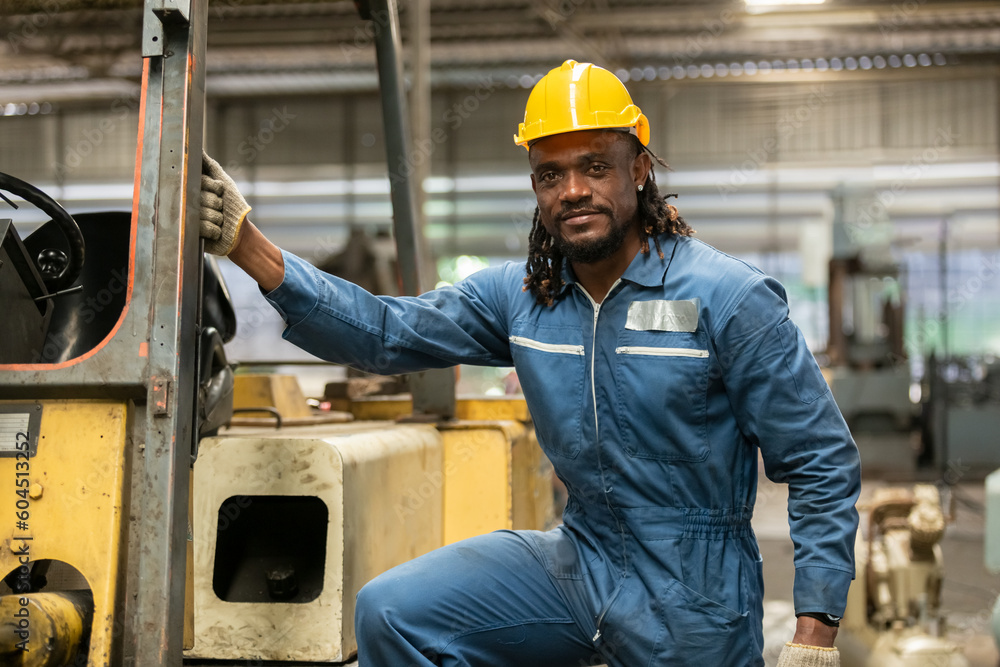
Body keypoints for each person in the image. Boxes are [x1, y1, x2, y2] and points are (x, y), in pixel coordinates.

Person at [200, 59, 861, 666]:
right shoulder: (524, 299)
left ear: (639, 168)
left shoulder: (729, 299)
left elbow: (822, 459)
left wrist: (816, 629)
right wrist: (247, 245)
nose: (573, 190)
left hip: (697, 596)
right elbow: (384, 331)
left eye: (595, 166)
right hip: (583, 558)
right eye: (551, 174)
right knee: (392, 612)